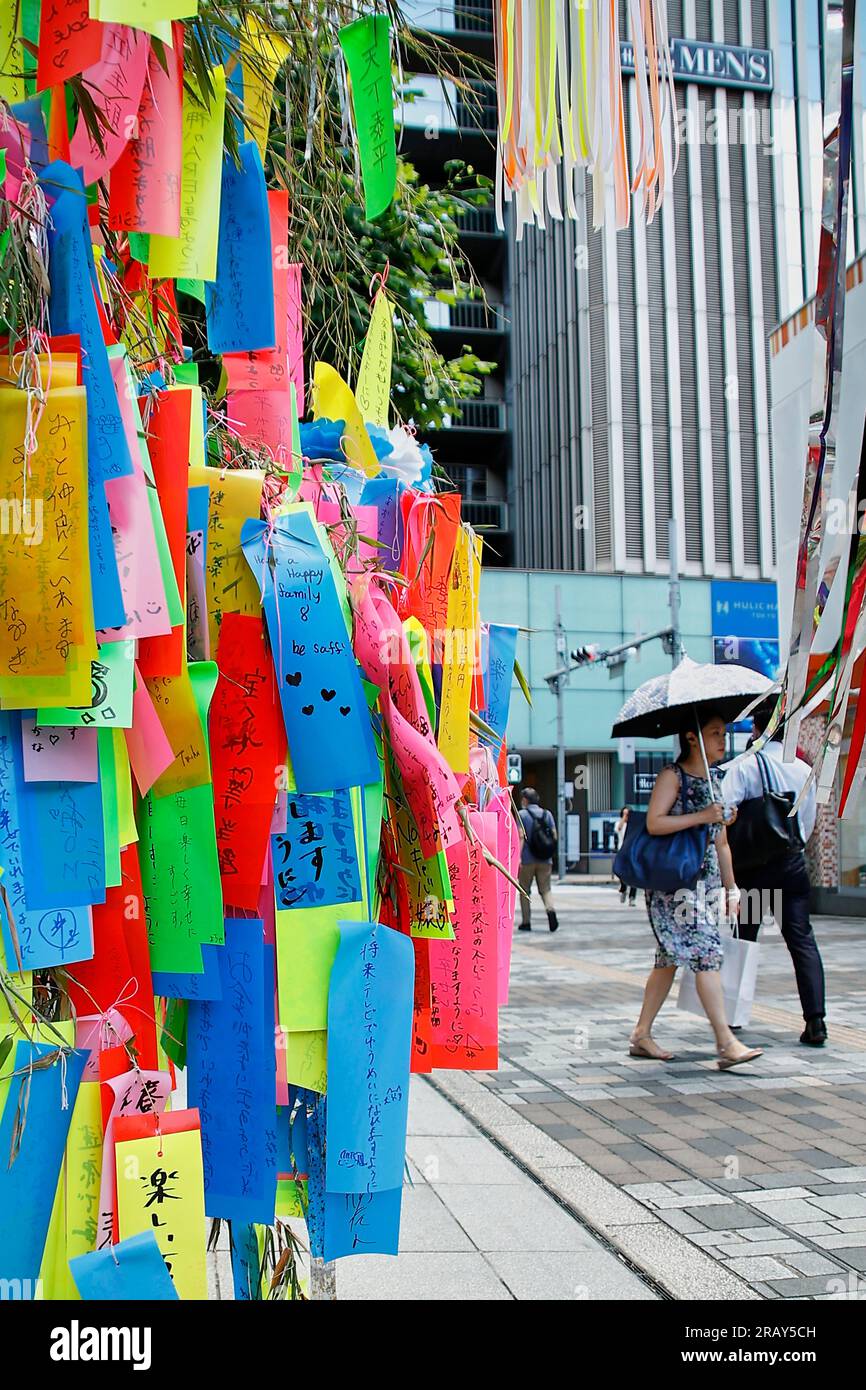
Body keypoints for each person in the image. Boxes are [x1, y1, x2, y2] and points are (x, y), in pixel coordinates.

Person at [629, 710, 763, 1071]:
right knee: (705, 951)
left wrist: (732, 889)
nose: (723, 740)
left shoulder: (716, 781)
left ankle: (641, 1034)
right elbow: (655, 823)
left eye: (723, 733)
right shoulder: (673, 776)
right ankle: (726, 1041)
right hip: (674, 886)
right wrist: (702, 816)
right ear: (692, 738)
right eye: (715, 733)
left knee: (669, 957)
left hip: (704, 884)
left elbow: (721, 843)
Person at [720, 698, 826, 1046]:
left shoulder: (746, 766)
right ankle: (815, 1021)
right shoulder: (801, 766)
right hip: (791, 864)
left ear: (757, 730)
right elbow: (808, 822)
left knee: (744, 938)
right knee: (801, 940)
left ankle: (734, 1016)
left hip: (752, 870)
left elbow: (724, 812)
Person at [517, 788, 559, 933]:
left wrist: (518, 857)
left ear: (525, 800)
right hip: (545, 859)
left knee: (524, 890)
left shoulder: (522, 815)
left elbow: (521, 836)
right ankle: (550, 910)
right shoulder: (547, 814)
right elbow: (554, 836)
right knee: (545, 889)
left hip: (527, 859)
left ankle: (526, 922)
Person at [614, 807, 638, 904]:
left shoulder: (634, 825)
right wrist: (624, 818)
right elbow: (618, 829)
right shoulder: (619, 823)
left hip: (633, 851)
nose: (626, 816)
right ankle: (623, 889)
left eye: (628, 814)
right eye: (624, 814)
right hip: (622, 850)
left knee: (634, 875)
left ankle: (632, 898)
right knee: (622, 873)